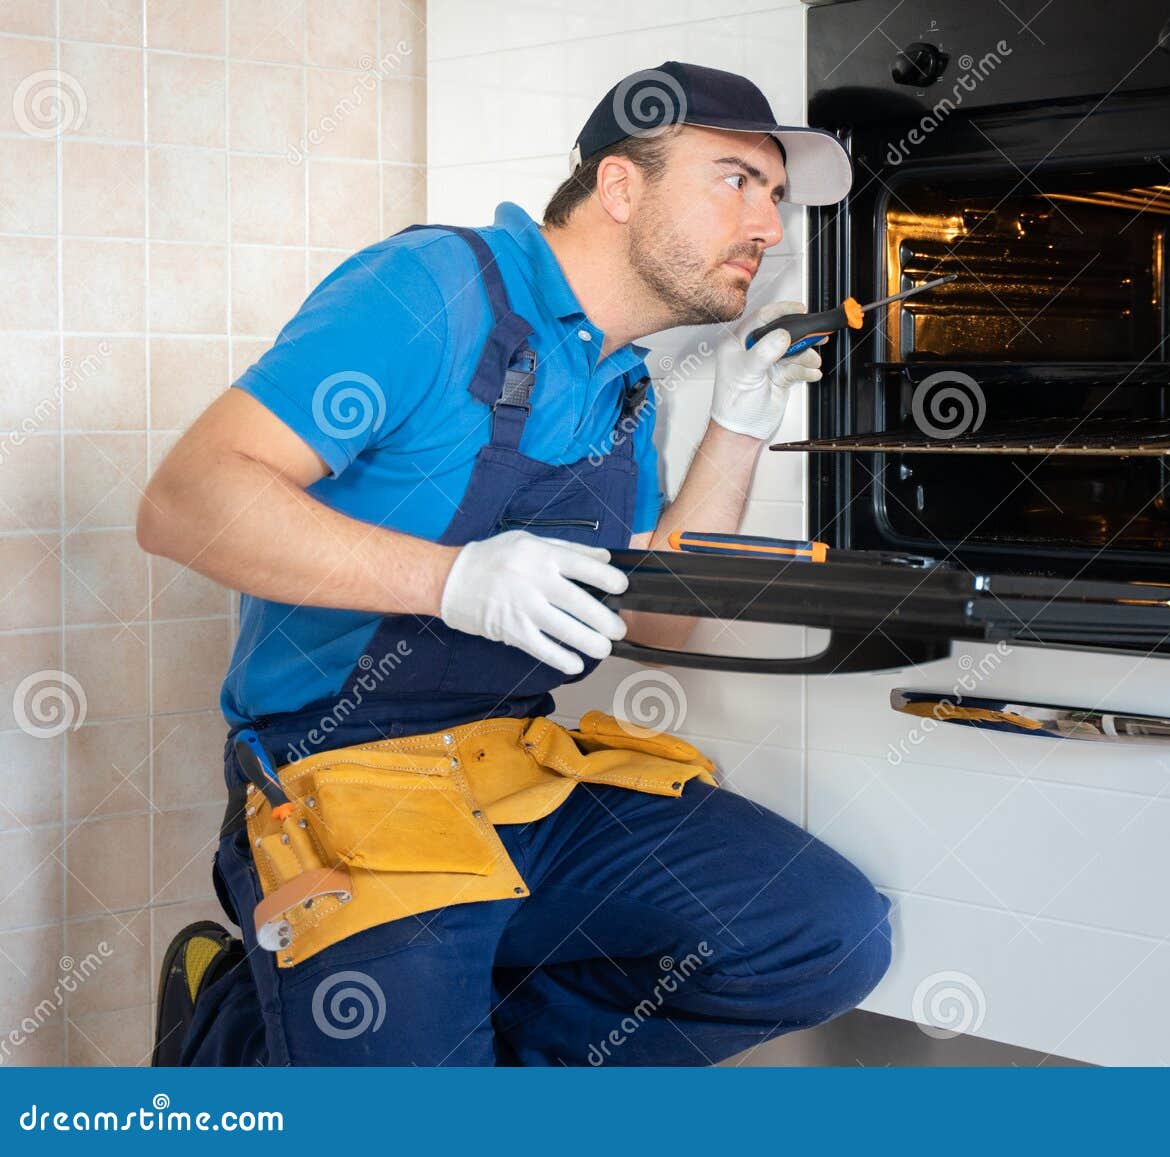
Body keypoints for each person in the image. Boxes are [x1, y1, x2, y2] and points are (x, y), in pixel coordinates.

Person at [137, 61, 891, 1066]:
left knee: (820, 931)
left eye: (776, 197)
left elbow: (657, 625)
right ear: (621, 186)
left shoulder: (627, 383)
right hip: (344, 778)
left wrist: (737, 429)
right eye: (734, 179)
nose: (767, 225)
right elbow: (185, 500)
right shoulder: (429, 289)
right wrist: (449, 581)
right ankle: (228, 1037)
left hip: (516, 775)